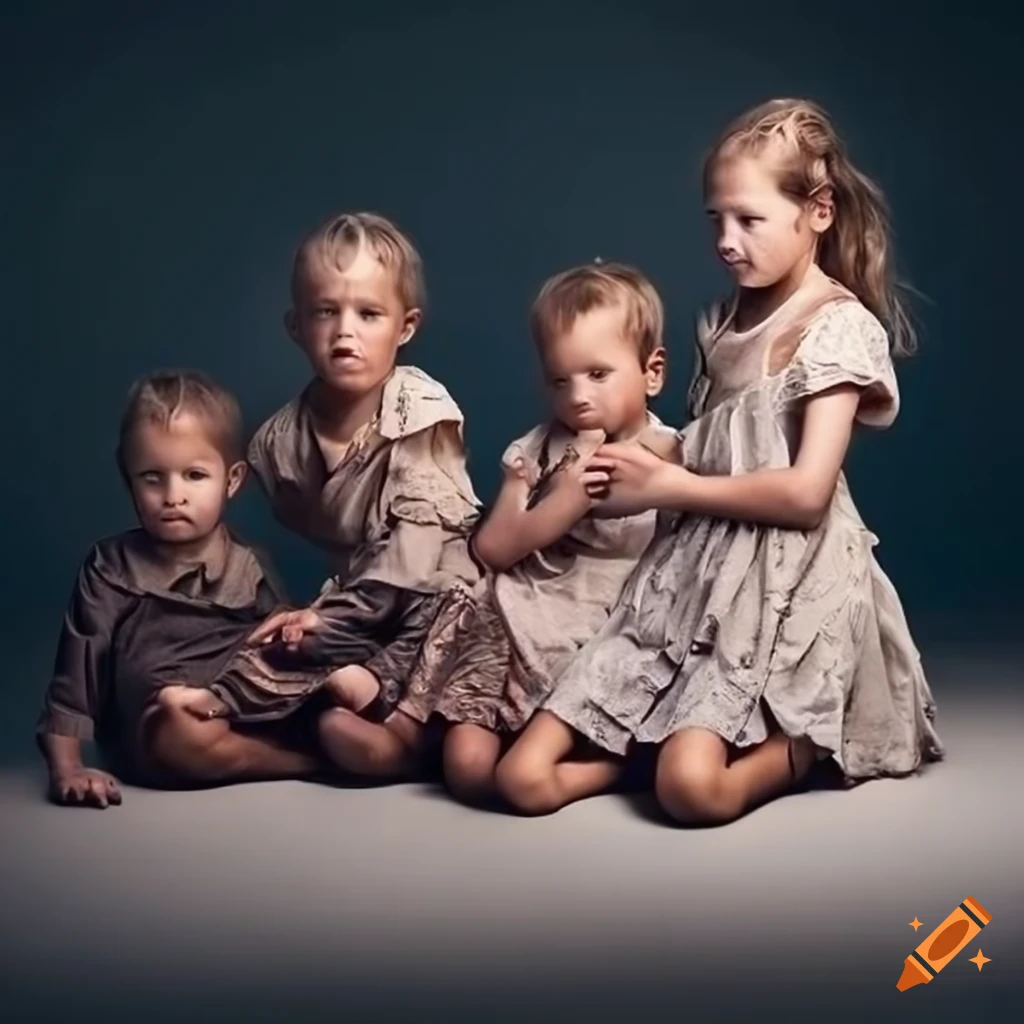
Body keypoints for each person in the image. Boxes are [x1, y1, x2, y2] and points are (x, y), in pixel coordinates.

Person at [497, 98, 944, 824]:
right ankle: (645, 746)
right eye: (716, 221)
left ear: (818, 212)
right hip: (690, 572)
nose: (727, 242)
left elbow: (806, 493)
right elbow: (704, 445)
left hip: (786, 579)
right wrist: (628, 475)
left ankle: (811, 740)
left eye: (749, 219)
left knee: (692, 791)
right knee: (521, 779)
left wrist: (670, 483)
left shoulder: (836, 327)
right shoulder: (721, 321)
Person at [208, 211, 482, 780]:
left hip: (427, 585)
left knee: (448, 617)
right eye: (326, 312)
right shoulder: (280, 442)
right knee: (268, 647)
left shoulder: (419, 412)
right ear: (296, 326)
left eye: (369, 314)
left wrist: (324, 619)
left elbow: (411, 561)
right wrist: (306, 620)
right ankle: (319, 716)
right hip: (359, 597)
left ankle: (402, 735)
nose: (345, 332)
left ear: (405, 327)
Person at [400, 261, 678, 805]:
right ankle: (412, 736)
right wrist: (513, 488)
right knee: (467, 770)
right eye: (560, 379)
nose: (577, 396)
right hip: (527, 607)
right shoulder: (543, 444)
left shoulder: (665, 452)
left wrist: (574, 490)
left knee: (515, 776)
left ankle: (622, 769)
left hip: (605, 618)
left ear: (652, 372)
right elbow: (494, 548)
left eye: (598, 374)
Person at [37, 370, 318, 808]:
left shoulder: (247, 564)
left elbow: (277, 659)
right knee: (176, 720)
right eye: (152, 476)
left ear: (232, 479)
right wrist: (68, 769)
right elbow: (74, 683)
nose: (173, 495)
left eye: (193, 475)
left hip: (234, 712)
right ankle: (310, 764)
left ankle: (357, 740)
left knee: (332, 679)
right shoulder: (111, 567)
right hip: (155, 736)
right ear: (127, 477)